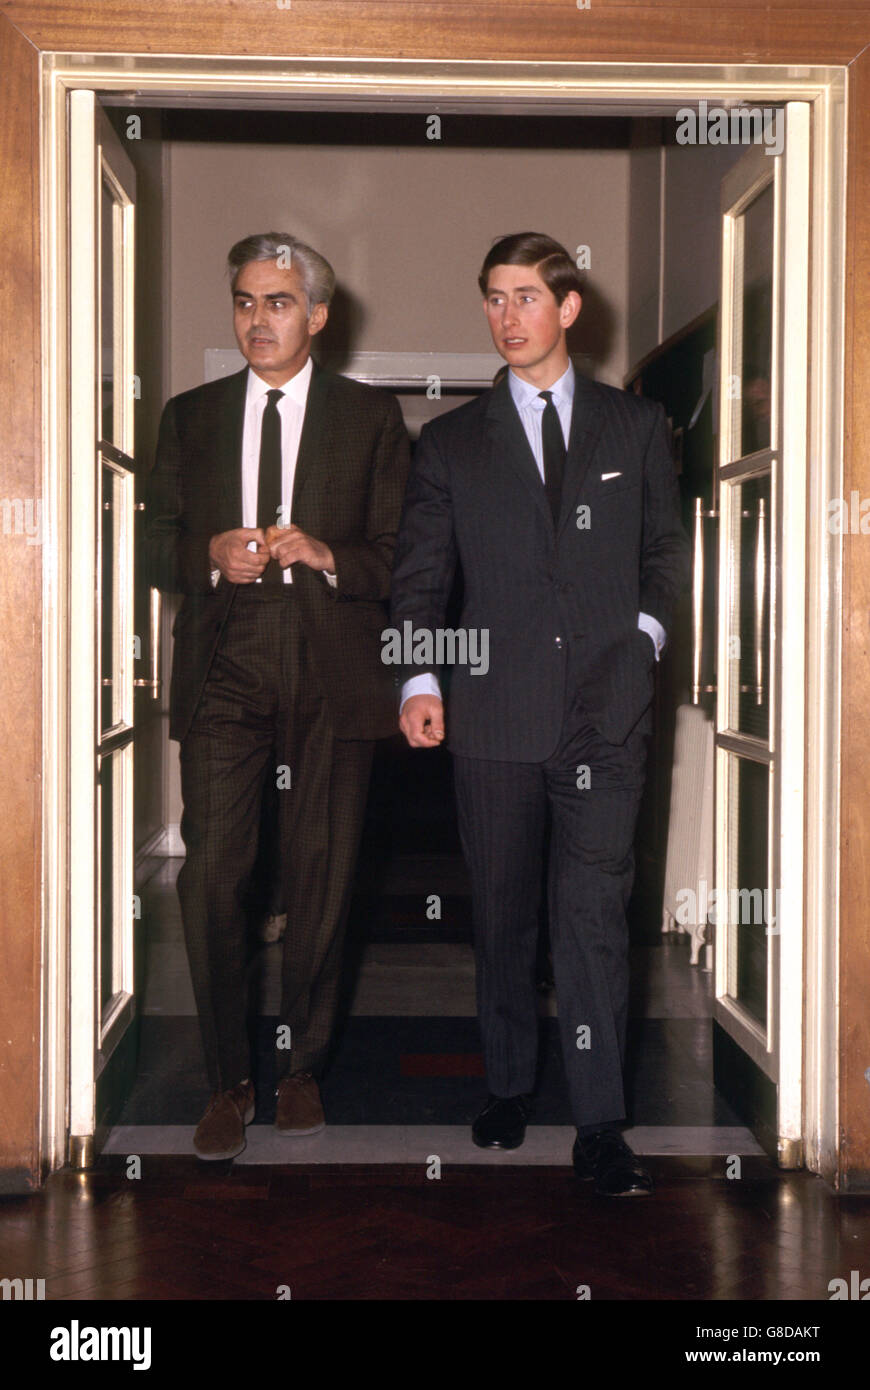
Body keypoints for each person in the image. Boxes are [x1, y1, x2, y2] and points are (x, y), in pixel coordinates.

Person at [390, 232, 690, 1196]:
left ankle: (600, 1122)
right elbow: (420, 581)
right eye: (493, 297)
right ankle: (511, 1086)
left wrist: (640, 645)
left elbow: (666, 561)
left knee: (593, 917)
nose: (506, 315)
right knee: (506, 916)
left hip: (609, 718)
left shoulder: (635, 429)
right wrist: (420, 682)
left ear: (569, 309)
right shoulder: (449, 443)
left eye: (526, 296)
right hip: (493, 715)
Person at [145, 232, 410, 1159]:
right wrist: (207, 556)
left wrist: (332, 554)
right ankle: (228, 1080)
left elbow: (400, 556)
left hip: (332, 669)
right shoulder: (190, 414)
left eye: (280, 302)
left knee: (323, 880)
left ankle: (300, 1068)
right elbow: (152, 540)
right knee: (215, 875)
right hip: (225, 663)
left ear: (320, 317)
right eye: (247, 302)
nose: (259, 319)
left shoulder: (373, 421)